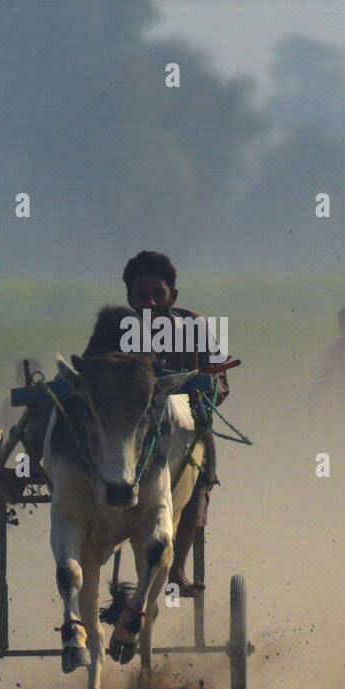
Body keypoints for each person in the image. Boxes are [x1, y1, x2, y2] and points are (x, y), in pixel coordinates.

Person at [121, 251, 228, 597]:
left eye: (158, 294)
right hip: (131, 430)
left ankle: (176, 569)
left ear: (173, 297)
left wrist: (201, 392)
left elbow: (222, 383)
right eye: (141, 296)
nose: (149, 303)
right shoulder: (117, 330)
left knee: (201, 474)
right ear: (129, 299)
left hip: (184, 427)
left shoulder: (198, 327)